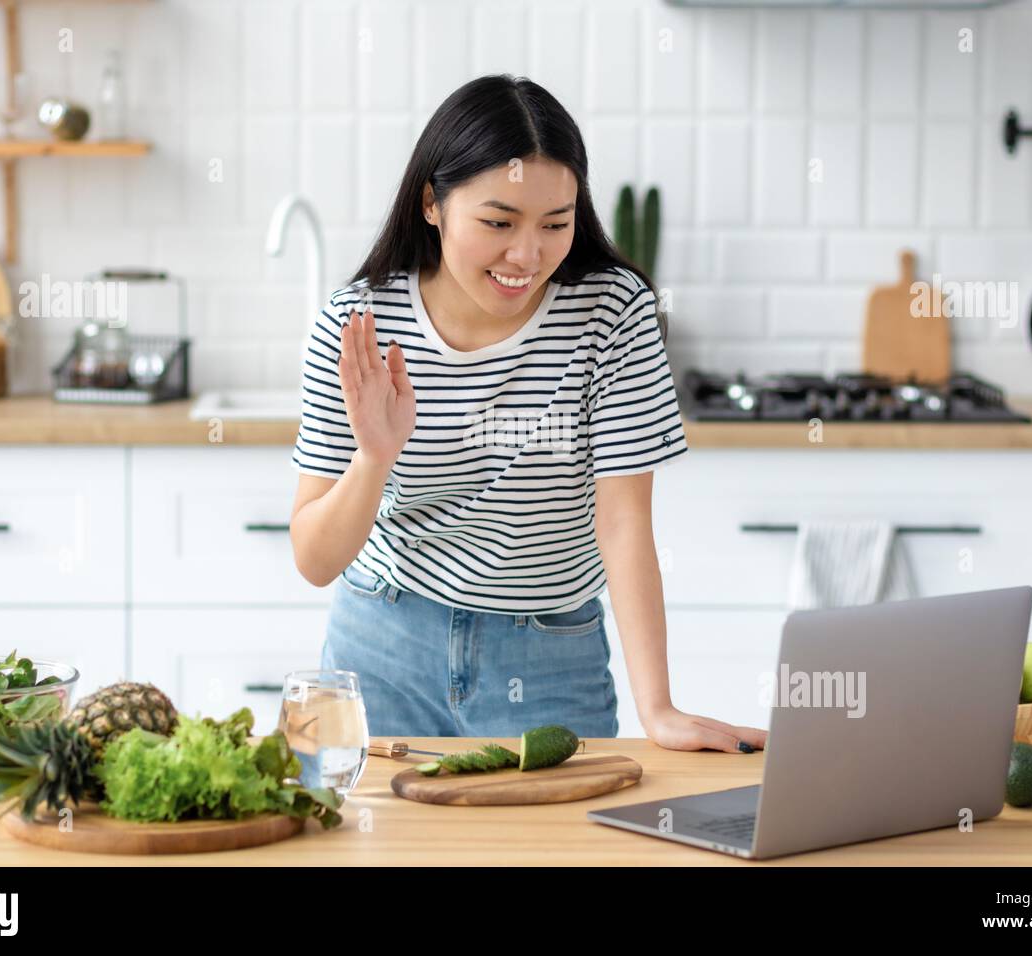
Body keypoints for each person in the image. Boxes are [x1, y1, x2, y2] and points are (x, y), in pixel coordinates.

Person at [289, 74, 767, 754]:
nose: (527, 255)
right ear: (432, 203)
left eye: (555, 224)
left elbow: (623, 520)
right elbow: (314, 559)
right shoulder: (359, 324)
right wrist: (374, 456)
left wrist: (657, 708)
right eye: (498, 222)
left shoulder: (614, 313)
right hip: (382, 649)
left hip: (548, 658)